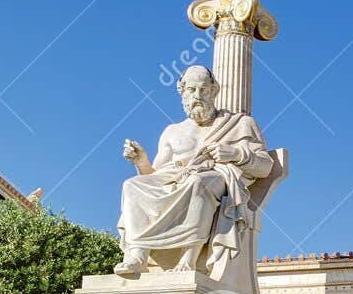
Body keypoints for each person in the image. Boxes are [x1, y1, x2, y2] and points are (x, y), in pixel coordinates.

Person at [116, 65, 273, 278]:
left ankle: (189, 259)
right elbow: (155, 175)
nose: (197, 96)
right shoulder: (172, 131)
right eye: (191, 90)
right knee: (132, 185)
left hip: (213, 177)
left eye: (203, 90)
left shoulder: (240, 123)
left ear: (214, 91)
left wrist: (235, 153)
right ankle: (137, 255)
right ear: (182, 92)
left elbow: (265, 166)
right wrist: (141, 161)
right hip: (176, 177)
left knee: (198, 182)